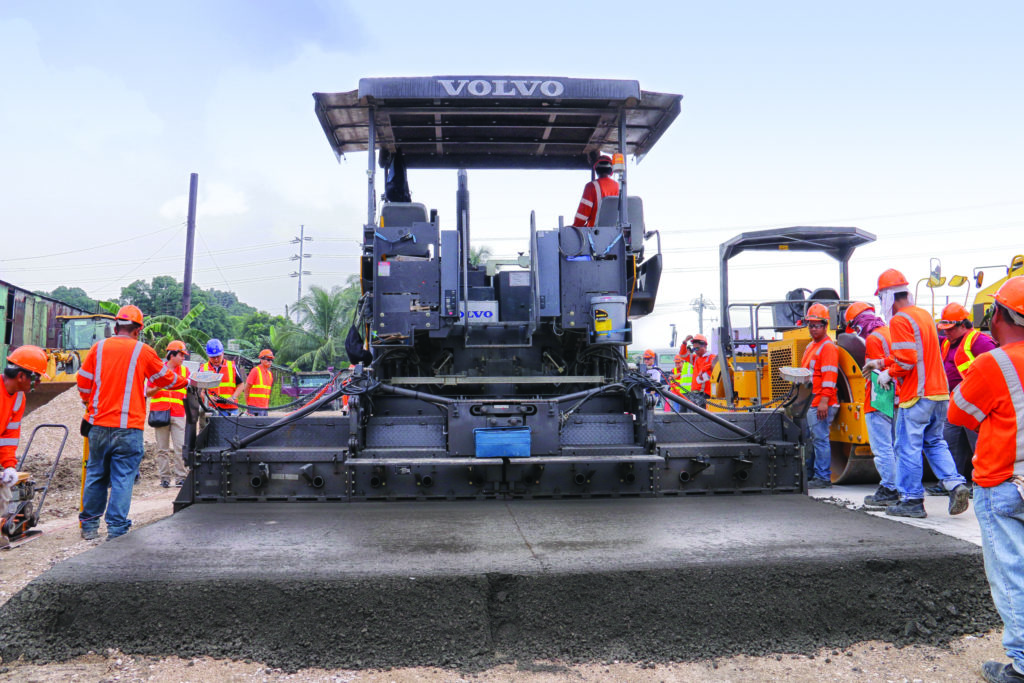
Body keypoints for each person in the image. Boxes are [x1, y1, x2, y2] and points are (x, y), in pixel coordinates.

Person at [946, 277, 1024, 683]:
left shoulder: (995, 362)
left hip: (1004, 482)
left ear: (1000, 315)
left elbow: (959, 414)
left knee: (1011, 573)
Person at [863, 268, 969, 519]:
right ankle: (955, 485)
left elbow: (908, 360)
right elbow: (917, 352)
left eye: (881, 299)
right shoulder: (922, 315)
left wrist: (889, 373)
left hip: (917, 395)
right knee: (934, 441)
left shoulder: (900, 319)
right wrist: (880, 364)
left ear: (887, 296)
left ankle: (911, 500)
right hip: (940, 393)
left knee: (906, 446)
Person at [77, 305, 187, 540]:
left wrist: (89, 402)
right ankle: (116, 530)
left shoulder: (98, 348)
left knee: (96, 473)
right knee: (122, 477)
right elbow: (167, 379)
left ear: (116, 327)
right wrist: (188, 381)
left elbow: (83, 382)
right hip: (128, 428)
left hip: (97, 425)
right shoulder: (142, 351)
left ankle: (89, 527)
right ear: (138, 330)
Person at [936, 301, 997, 487]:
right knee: (950, 442)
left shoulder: (980, 341)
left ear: (963, 325)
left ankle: (982, 483)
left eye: (950, 329)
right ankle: (952, 484)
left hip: (976, 403)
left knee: (978, 445)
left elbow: (996, 368)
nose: (946, 332)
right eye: (944, 329)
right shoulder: (948, 343)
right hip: (955, 402)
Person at [846, 302, 900, 507]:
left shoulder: (874, 339)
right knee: (897, 447)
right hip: (898, 397)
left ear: (858, 323)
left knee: (882, 447)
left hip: (881, 398)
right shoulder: (890, 332)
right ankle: (902, 487)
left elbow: (876, 374)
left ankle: (889, 488)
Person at [0, 346, 49, 548]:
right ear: (21, 376)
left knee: (4, 494)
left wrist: (9, 465)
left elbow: (9, 437)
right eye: (35, 378)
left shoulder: (19, 398)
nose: (36, 383)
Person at [799, 303, 840, 488]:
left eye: (816, 325)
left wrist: (824, 401)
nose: (813, 328)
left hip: (821, 402)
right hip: (811, 401)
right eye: (810, 325)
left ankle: (823, 477)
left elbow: (830, 377)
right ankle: (812, 473)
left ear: (825, 326)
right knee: (813, 439)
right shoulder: (811, 346)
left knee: (820, 438)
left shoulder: (828, 347)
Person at [145, 340, 190, 488]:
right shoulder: (157, 371)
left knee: (180, 447)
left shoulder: (185, 372)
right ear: (172, 355)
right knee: (162, 449)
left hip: (178, 413)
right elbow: (147, 392)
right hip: (160, 413)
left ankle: (181, 477)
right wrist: (158, 387)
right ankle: (164, 478)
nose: (183, 358)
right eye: (181, 355)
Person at [572, 155, 619, 228]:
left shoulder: (591, 186)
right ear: (611, 171)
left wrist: (574, 228)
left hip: (595, 234)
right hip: (615, 232)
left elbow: (582, 216)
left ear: (596, 170)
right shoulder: (618, 186)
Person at [201, 338, 240, 416]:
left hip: (230, 408)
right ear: (208, 355)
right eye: (213, 357)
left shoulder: (232, 366)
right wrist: (207, 398)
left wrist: (233, 397)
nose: (216, 360)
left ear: (222, 353)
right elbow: (199, 390)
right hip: (211, 408)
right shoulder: (203, 369)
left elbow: (241, 385)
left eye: (218, 356)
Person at [234, 349, 275, 416]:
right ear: (261, 360)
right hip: (254, 407)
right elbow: (247, 388)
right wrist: (248, 405)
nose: (270, 362)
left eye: (271, 360)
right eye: (268, 359)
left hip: (265, 407)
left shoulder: (270, 374)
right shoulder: (255, 371)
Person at [680, 334, 717, 406]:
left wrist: (703, 370)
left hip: (705, 394)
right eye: (694, 349)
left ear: (705, 346)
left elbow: (715, 364)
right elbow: (682, 355)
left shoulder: (711, 357)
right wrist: (684, 342)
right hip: (694, 393)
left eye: (697, 348)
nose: (695, 351)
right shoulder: (696, 358)